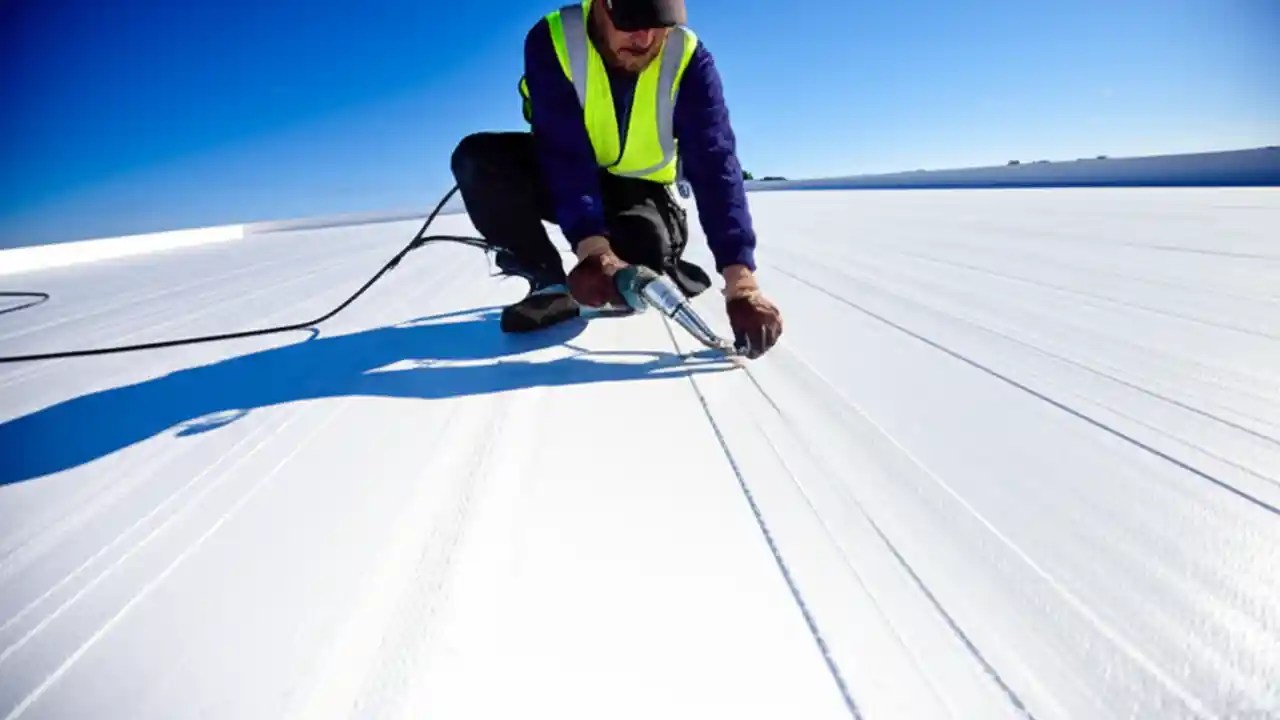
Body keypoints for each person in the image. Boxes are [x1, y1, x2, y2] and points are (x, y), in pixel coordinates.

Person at [450, 0, 783, 358]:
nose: (644, 37)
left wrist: (741, 282)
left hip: (641, 191)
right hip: (567, 170)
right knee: (479, 161)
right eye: (628, 19)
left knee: (643, 253)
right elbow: (564, 152)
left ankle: (636, 259)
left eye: (659, 21)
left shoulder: (688, 58)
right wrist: (593, 250)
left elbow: (715, 165)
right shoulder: (555, 39)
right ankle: (547, 282)